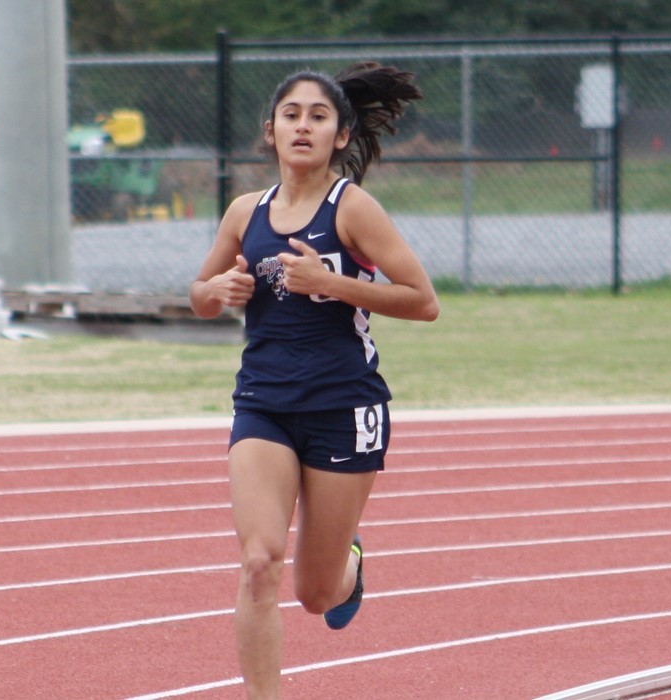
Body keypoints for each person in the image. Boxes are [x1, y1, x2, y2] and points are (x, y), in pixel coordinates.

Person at [189, 62, 438, 698]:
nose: (304, 126)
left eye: (319, 116)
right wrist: (215, 290)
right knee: (258, 561)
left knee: (314, 593)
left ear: (341, 136)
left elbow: (422, 299)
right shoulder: (246, 212)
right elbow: (198, 294)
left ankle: (347, 563)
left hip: (342, 407)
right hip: (264, 405)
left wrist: (332, 283)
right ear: (269, 131)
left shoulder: (353, 209)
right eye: (292, 115)